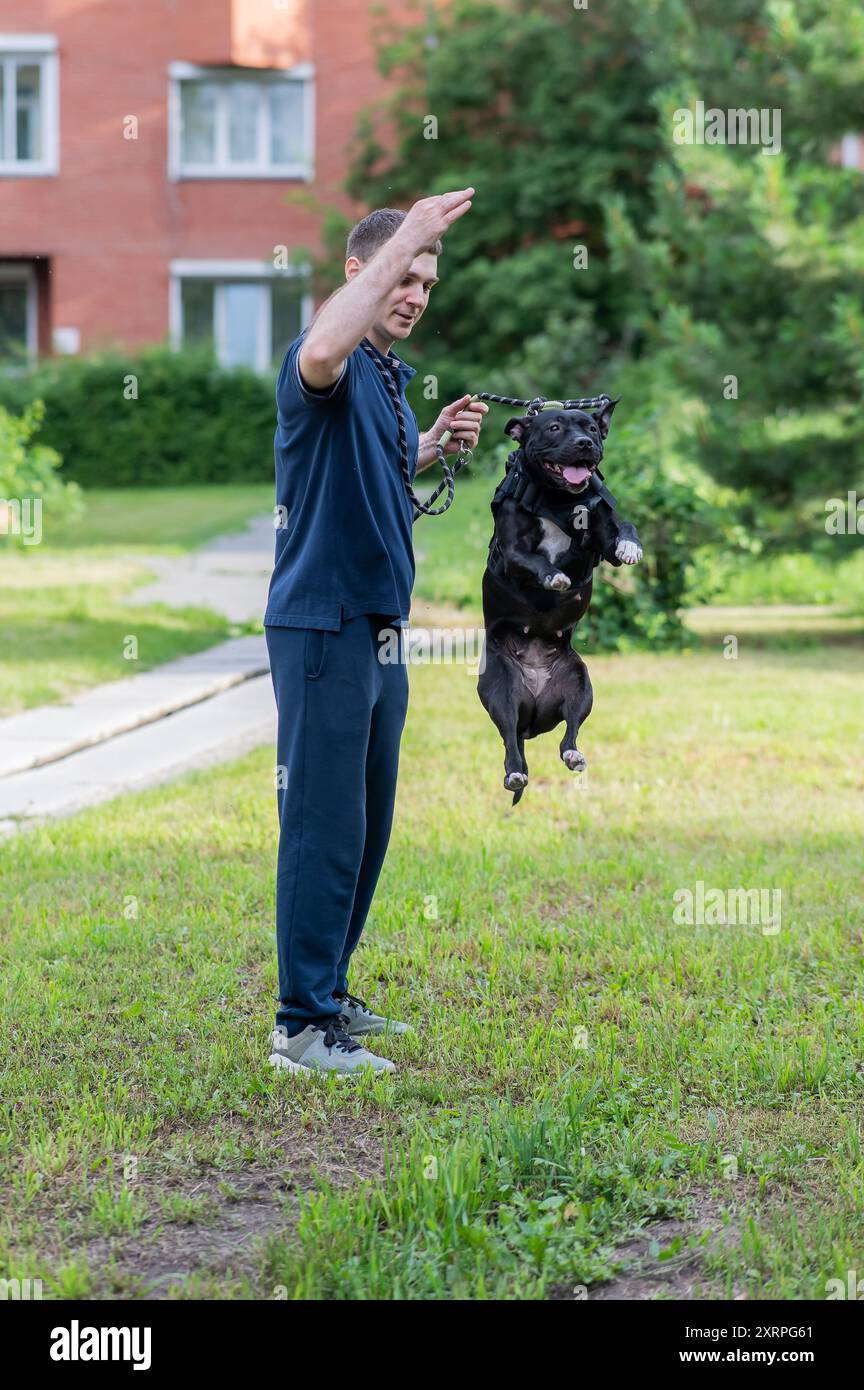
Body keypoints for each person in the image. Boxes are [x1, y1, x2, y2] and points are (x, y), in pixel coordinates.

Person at [264, 190, 489, 1076]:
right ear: (359, 272)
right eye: (404, 272)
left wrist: (428, 445)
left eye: (428, 279)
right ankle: (300, 1027)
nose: (417, 292)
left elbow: (377, 473)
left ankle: (331, 991)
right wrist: (412, 234)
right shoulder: (322, 356)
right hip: (324, 618)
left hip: (380, 625)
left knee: (364, 822)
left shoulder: (388, 382)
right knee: (320, 822)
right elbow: (324, 346)